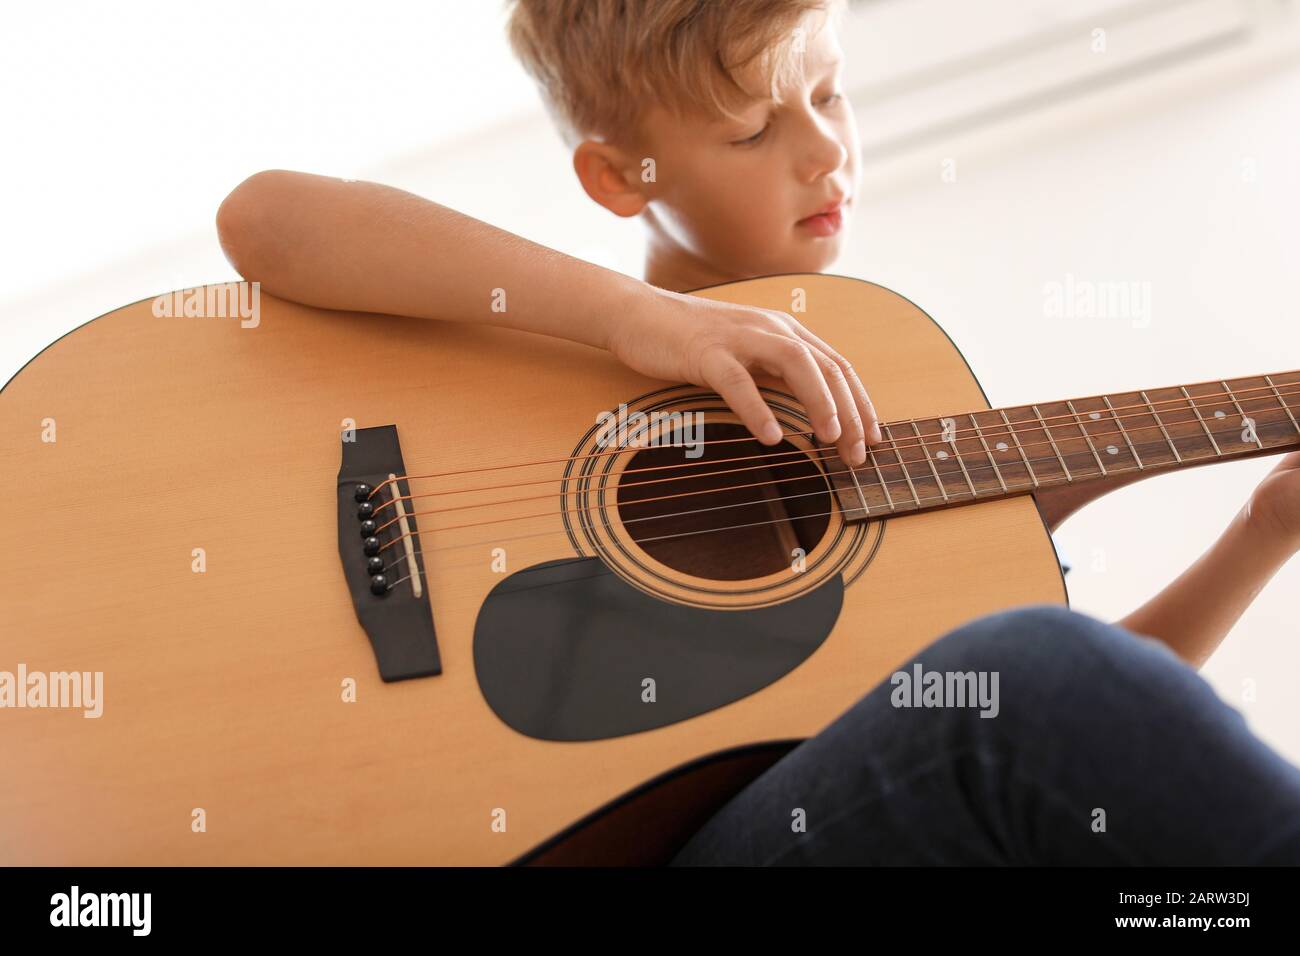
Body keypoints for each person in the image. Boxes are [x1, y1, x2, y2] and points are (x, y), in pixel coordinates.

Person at [214, 0, 1300, 864]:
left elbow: (1086, 742)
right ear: (617, 175)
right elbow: (261, 216)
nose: (825, 152)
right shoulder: (556, 344)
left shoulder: (887, 373)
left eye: (830, 92)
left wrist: (1263, 526)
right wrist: (642, 317)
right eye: (752, 129)